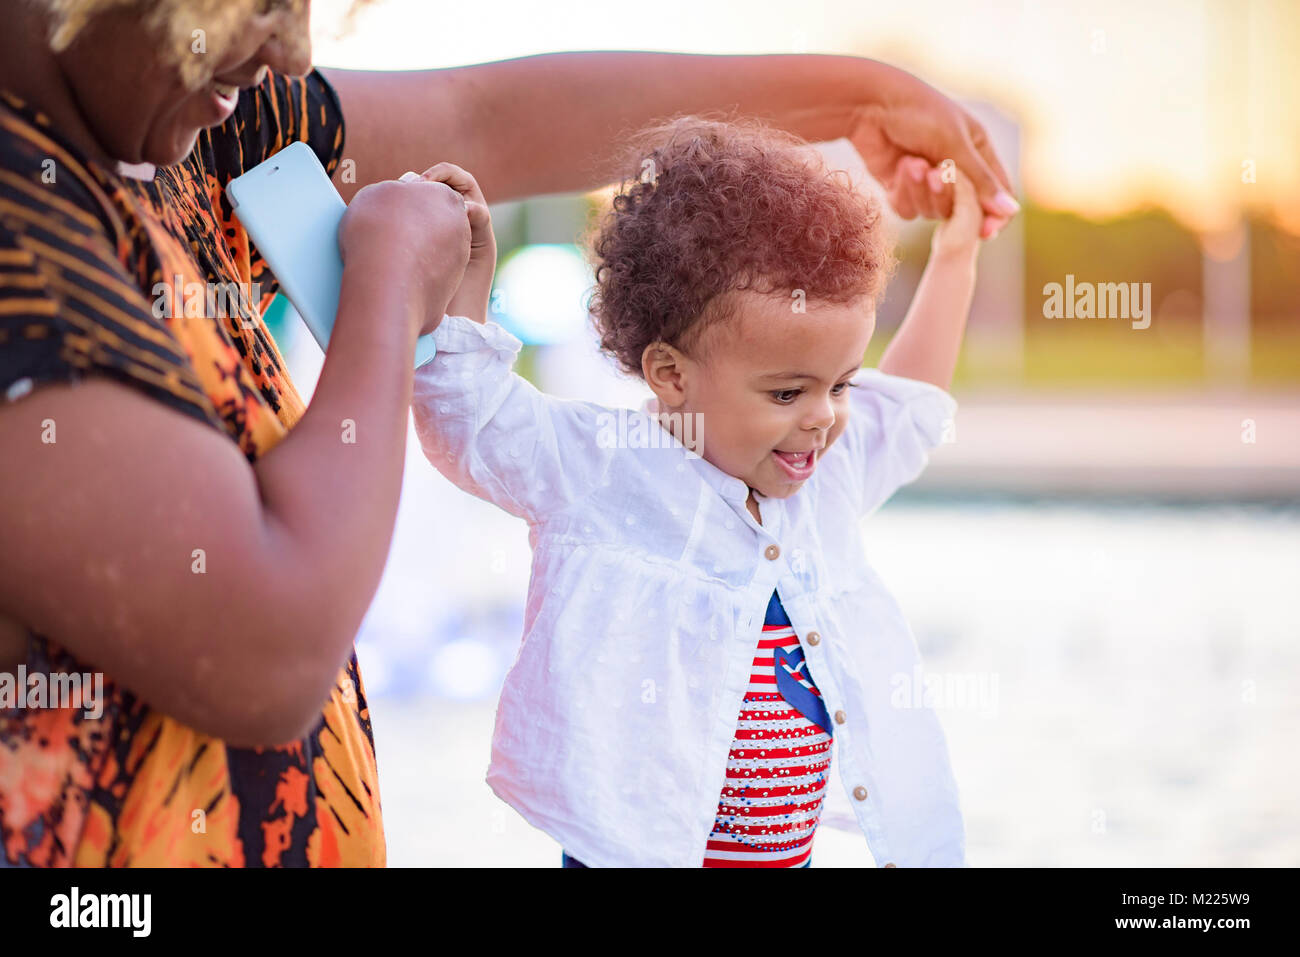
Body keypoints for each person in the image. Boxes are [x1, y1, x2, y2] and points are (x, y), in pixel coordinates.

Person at [0, 0, 1014, 867]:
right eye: (259, 3)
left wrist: (855, 98)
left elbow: (483, 115)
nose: (293, 50)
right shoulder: (22, 220)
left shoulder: (184, 123)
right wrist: (399, 290)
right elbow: (265, 652)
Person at [408, 115, 983, 867]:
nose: (823, 419)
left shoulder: (820, 479)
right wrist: (469, 276)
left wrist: (958, 254)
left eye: (839, 384)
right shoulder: (608, 471)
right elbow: (474, 422)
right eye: (785, 393)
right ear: (671, 374)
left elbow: (905, 406)